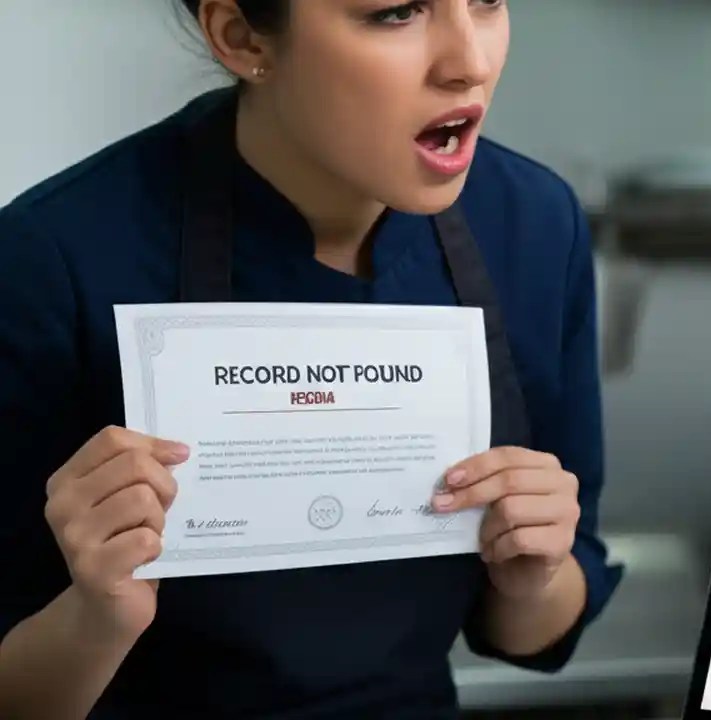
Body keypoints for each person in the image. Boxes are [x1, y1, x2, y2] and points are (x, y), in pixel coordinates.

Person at [0, 1, 623, 718]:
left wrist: (533, 577)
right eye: (396, 13)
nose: (470, 64)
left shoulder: (535, 223)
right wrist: (95, 620)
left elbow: (536, 632)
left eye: (485, 1)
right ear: (240, 37)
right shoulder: (50, 259)